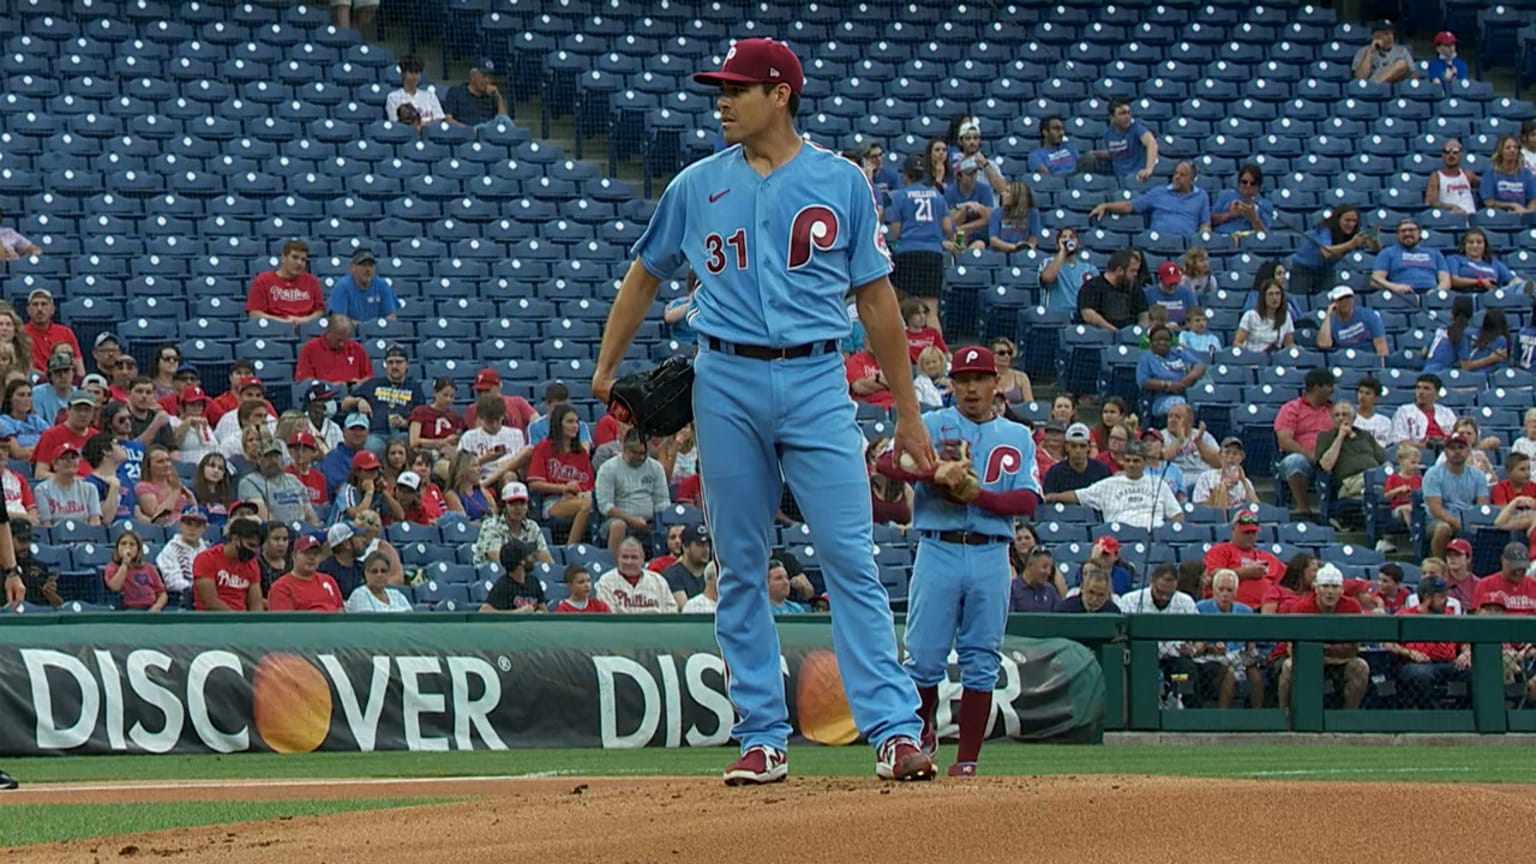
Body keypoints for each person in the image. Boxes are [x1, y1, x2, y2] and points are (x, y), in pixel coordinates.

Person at [592, 39, 935, 786]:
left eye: (737, 89)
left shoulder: (841, 181)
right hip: (725, 378)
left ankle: (894, 730)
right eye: (721, 89)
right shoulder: (696, 183)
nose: (722, 100)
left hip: (817, 380)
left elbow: (876, 299)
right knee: (740, 566)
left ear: (780, 95)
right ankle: (761, 735)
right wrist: (607, 368)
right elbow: (645, 276)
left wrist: (907, 413)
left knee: (851, 560)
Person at [874, 346, 1040, 776]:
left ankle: (967, 761)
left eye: (979, 379)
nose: (970, 388)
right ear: (951, 384)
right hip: (938, 544)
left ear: (995, 384)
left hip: (991, 550)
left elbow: (1027, 500)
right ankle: (918, 736)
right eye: (962, 380)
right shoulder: (930, 423)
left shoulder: (1018, 435)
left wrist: (976, 494)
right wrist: (933, 474)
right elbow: (889, 463)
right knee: (924, 657)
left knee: (982, 660)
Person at [1276, 564, 1368, 709]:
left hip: (1338, 661)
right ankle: (1285, 714)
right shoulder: (1303, 607)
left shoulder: (1352, 607)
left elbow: (1352, 649)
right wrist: (1333, 651)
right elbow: (1293, 650)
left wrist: (1320, 651)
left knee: (1360, 667)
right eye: (1325, 586)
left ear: (1342, 590)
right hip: (1305, 659)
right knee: (1289, 666)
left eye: (1335, 587)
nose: (1330, 592)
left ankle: (1348, 717)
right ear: (1316, 588)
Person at [886, 153, 958, 328]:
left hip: (907, 253)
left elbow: (895, 231)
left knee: (900, 306)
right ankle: (938, 354)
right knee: (931, 310)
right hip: (932, 254)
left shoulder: (900, 196)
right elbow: (948, 228)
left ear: (906, 175)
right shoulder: (936, 196)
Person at [1048, 440, 1182, 529]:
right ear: (1122, 461)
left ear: (1145, 462)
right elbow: (1078, 495)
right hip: (1118, 538)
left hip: (1152, 538)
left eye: (1136, 461)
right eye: (1128, 460)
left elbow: (1177, 515)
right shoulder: (1109, 484)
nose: (1131, 464)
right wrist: (1051, 497)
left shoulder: (1159, 484)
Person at [1274, 367, 1336, 518]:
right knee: (1294, 462)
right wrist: (1309, 454)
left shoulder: (1333, 410)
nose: (1332, 390)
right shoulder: (1291, 408)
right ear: (1317, 387)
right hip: (1304, 458)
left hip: (1330, 459)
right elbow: (1284, 441)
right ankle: (1303, 509)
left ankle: (1336, 514)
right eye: (1329, 386)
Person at [1090, 161, 1211, 236]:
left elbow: (1205, 224)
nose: (1177, 177)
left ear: (1192, 178)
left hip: (1185, 246)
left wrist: (1202, 238)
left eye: (1182, 175)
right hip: (1158, 241)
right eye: (1176, 173)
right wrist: (1106, 206)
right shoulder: (1159, 192)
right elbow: (1130, 206)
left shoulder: (1201, 196)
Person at [1424, 434, 1491, 558]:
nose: (1457, 452)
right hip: (1438, 520)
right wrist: (1460, 524)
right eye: (1452, 448)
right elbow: (1436, 510)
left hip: (1469, 518)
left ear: (1468, 451)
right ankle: (1439, 565)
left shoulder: (1478, 475)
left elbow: (1482, 505)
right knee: (1443, 529)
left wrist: (1471, 522)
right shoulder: (1433, 474)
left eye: (1461, 447)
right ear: (1445, 451)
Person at [1315, 400, 1387, 501]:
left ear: (1353, 418)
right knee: (1372, 486)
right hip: (1349, 483)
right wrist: (1340, 436)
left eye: (1345, 415)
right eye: (1337, 415)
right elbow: (1325, 466)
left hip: (1373, 477)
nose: (1341, 418)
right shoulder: (1325, 437)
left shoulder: (1365, 435)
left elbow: (1384, 459)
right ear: (1332, 419)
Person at [191, 516, 264, 612]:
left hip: (242, 620)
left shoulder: (251, 563)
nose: (253, 551)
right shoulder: (206, 559)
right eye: (250, 545)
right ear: (235, 539)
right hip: (211, 620)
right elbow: (210, 602)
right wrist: (237, 620)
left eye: (256, 547)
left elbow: (256, 603)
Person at [245, 239, 324, 324]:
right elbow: (254, 314)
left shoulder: (312, 281)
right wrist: (285, 322)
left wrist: (303, 321)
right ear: (283, 258)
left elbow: (319, 312)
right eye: (295, 257)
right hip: (275, 331)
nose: (299, 263)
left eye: (303, 259)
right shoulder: (263, 280)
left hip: (306, 329)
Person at [1137, 324, 1205, 420]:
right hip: (1159, 400)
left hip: (1185, 394)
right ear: (1151, 342)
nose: (1162, 342)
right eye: (1158, 340)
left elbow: (1200, 365)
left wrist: (1188, 378)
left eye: (1166, 340)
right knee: (1180, 405)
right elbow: (1143, 381)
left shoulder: (1178, 353)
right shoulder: (1146, 357)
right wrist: (1168, 385)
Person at [593, 536, 676, 615]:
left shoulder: (658, 581)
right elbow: (608, 618)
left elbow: (671, 612)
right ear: (617, 558)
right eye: (625, 557)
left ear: (642, 558)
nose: (629, 562)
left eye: (634, 557)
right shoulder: (606, 582)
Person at [267, 531, 343, 612]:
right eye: (306, 553)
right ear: (294, 556)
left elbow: (340, 612)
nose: (312, 557)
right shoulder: (281, 587)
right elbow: (284, 622)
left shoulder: (329, 580)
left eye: (315, 554)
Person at [1372, 218, 1451, 295]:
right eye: (1403, 231)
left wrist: (1436, 291)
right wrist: (1395, 287)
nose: (1407, 233)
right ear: (1397, 235)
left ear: (1419, 233)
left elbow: (1445, 281)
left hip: (1431, 294)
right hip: (1402, 296)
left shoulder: (1435, 253)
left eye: (1411, 230)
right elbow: (1375, 280)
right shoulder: (1387, 253)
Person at [1077, 248, 1148, 332]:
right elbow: (1088, 314)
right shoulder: (1092, 286)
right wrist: (1115, 332)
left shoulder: (1136, 289)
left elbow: (1143, 314)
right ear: (1119, 270)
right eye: (1132, 271)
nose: (1136, 274)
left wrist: (1140, 331)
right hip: (1100, 335)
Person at [326, 248, 399, 326]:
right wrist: (363, 328)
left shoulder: (382, 285)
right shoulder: (342, 286)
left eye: (370, 265)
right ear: (352, 267)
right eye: (363, 265)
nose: (368, 269)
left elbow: (391, 316)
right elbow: (338, 319)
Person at [295, 315, 373, 385]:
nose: (342, 344)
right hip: (324, 397)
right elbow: (304, 381)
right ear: (328, 332)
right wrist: (331, 386)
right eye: (338, 340)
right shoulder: (310, 348)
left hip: (353, 396)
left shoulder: (357, 349)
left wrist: (359, 382)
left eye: (345, 340)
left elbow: (369, 378)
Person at [103, 528, 167, 612]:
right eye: (123, 544)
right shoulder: (112, 567)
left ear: (138, 549)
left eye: (132, 544)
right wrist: (125, 564)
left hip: (151, 607)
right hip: (129, 609)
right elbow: (115, 587)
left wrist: (157, 606)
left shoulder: (149, 568)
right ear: (117, 548)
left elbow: (162, 593)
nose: (127, 547)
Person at [1314, 285, 1387, 356]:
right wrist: (1328, 315)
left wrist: (1381, 366)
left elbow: (1381, 345)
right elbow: (1324, 344)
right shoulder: (1330, 322)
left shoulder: (1368, 315)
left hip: (1369, 359)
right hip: (1345, 362)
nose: (1345, 302)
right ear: (1333, 303)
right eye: (1341, 300)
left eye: (1348, 298)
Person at [345, 551, 413, 613]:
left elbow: (410, 619)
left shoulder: (397, 595)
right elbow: (368, 623)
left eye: (383, 571)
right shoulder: (359, 595)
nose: (379, 575)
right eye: (374, 571)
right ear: (366, 574)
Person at [1425, 137, 1479, 215]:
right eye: (1447, 152)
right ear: (1442, 155)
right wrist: (1450, 207)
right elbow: (1430, 202)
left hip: (1472, 219)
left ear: (1461, 154)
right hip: (1450, 219)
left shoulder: (1468, 175)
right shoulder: (1436, 177)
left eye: (1455, 152)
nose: (1451, 155)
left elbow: (1486, 185)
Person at [1352, 19, 1416, 84]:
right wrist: (1369, 52)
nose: (1390, 37)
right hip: (1370, 92)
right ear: (1375, 36)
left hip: (1394, 90)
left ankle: (1372, 85)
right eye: (1386, 33)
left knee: (1401, 64)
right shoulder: (1363, 51)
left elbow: (1414, 77)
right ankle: (1372, 86)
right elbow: (1359, 79)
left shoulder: (1402, 51)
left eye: (1392, 33)